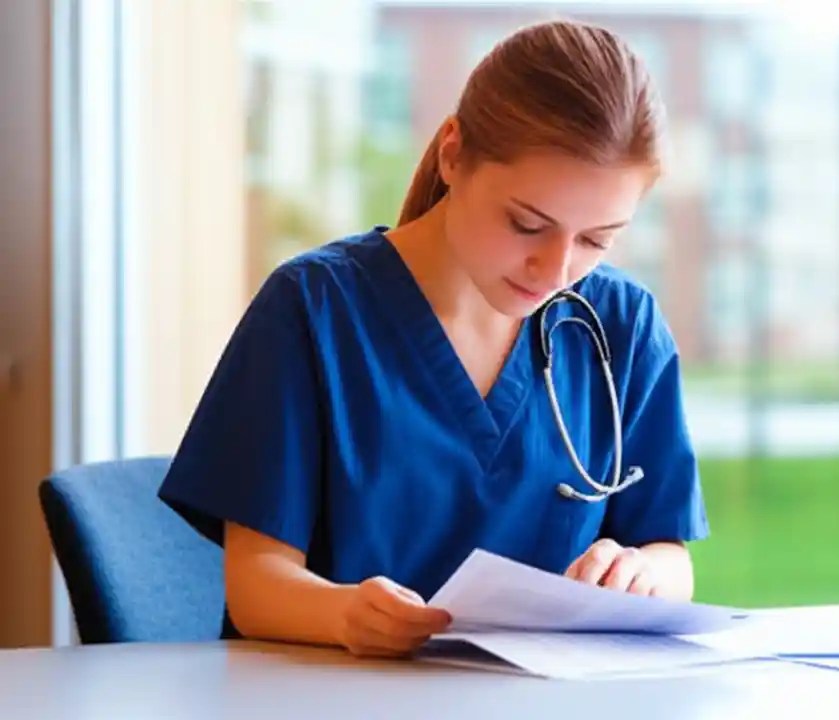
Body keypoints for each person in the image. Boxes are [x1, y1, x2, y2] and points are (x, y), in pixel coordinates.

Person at [157, 19, 709, 659]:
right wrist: (343, 614)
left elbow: (670, 555)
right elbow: (257, 587)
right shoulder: (313, 311)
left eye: (596, 240)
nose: (556, 271)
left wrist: (643, 577)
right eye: (527, 224)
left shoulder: (622, 326)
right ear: (453, 153)